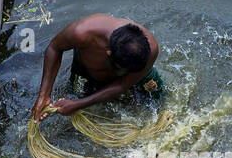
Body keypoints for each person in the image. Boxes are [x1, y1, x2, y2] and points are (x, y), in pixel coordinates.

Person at [31, 14, 163, 120]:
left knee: (159, 102)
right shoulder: (82, 32)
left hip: (136, 74)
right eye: (120, 69)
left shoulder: (151, 49)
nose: (123, 74)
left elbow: (123, 84)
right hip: (86, 71)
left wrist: (77, 105)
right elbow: (54, 48)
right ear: (108, 53)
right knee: (76, 94)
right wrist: (44, 95)